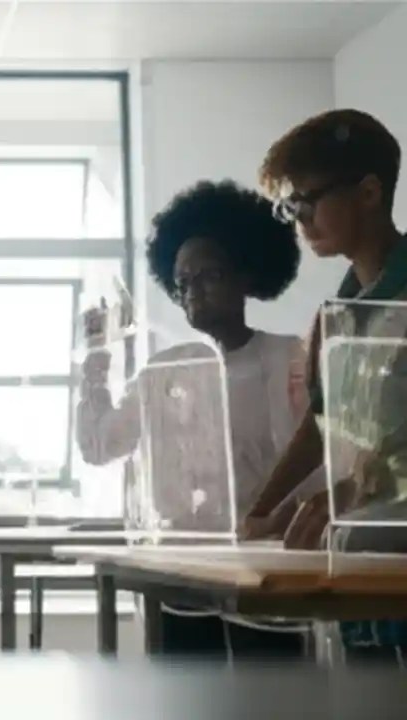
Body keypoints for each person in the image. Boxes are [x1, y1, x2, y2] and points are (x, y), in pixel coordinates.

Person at [78, 179, 311, 658]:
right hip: (182, 574)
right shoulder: (165, 370)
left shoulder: (290, 356)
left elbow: (318, 456)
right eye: (183, 282)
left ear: (245, 276)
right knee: (187, 699)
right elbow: (100, 446)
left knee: (274, 698)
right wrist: (96, 358)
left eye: (208, 275)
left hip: (268, 570)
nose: (193, 291)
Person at [242, 109, 407, 665]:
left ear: (368, 192)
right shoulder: (335, 315)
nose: (300, 219)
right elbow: (322, 423)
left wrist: (356, 494)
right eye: (291, 207)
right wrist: (258, 511)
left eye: (308, 201)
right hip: (359, 558)